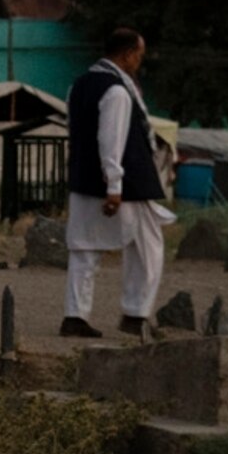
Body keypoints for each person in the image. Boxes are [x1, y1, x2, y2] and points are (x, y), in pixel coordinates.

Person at [65, 25, 172, 339]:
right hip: (124, 184)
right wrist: (114, 186)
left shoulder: (79, 85)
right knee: (148, 248)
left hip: (84, 178)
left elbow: (78, 132)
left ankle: (75, 315)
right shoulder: (116, 91)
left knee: (84, 248)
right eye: (139, 54)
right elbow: (111, 140)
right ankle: (135, 312)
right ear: (127, 54)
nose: (140, 61)